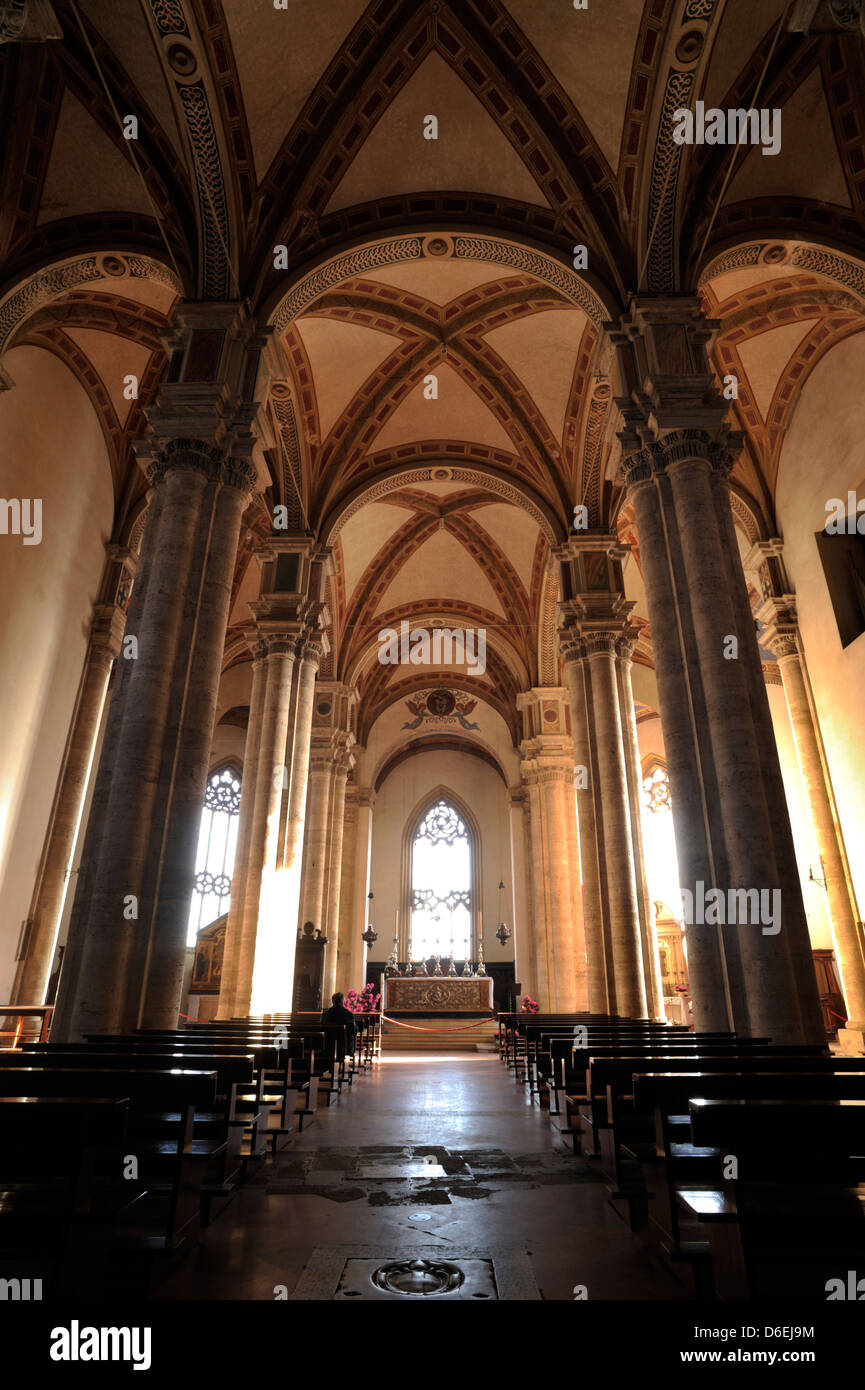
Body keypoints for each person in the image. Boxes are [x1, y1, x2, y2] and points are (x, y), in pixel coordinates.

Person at [321, 991, 357, 1055]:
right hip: (345, 1046)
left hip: (327, 1045)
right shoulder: (349, 1014)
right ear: (343, 1001)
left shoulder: (325, 1014)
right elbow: (353, 1030)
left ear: (332, 1001)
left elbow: (321, 1028)